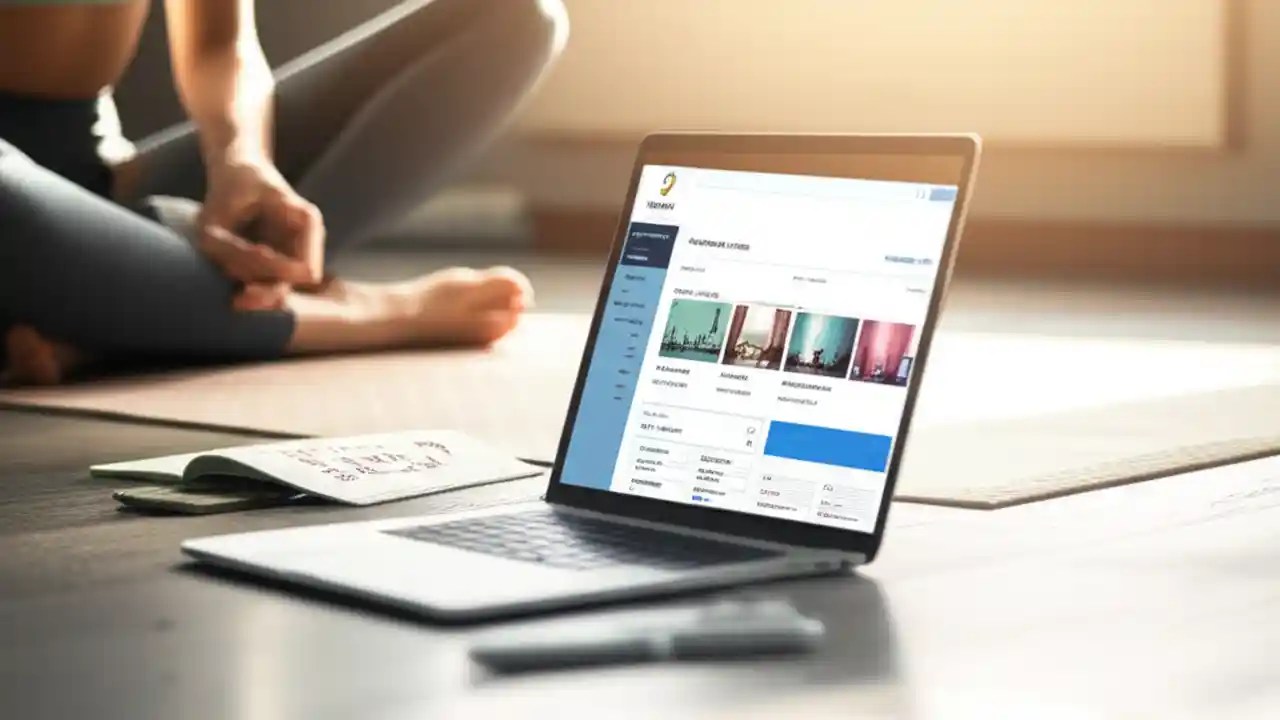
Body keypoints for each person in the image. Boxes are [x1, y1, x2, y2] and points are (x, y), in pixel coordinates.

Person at [0, 0, 569, 385]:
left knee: (517, 18)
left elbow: (219, 45)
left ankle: (162, 309)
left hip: (101, 182)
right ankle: (356, 314)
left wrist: (240, 159)